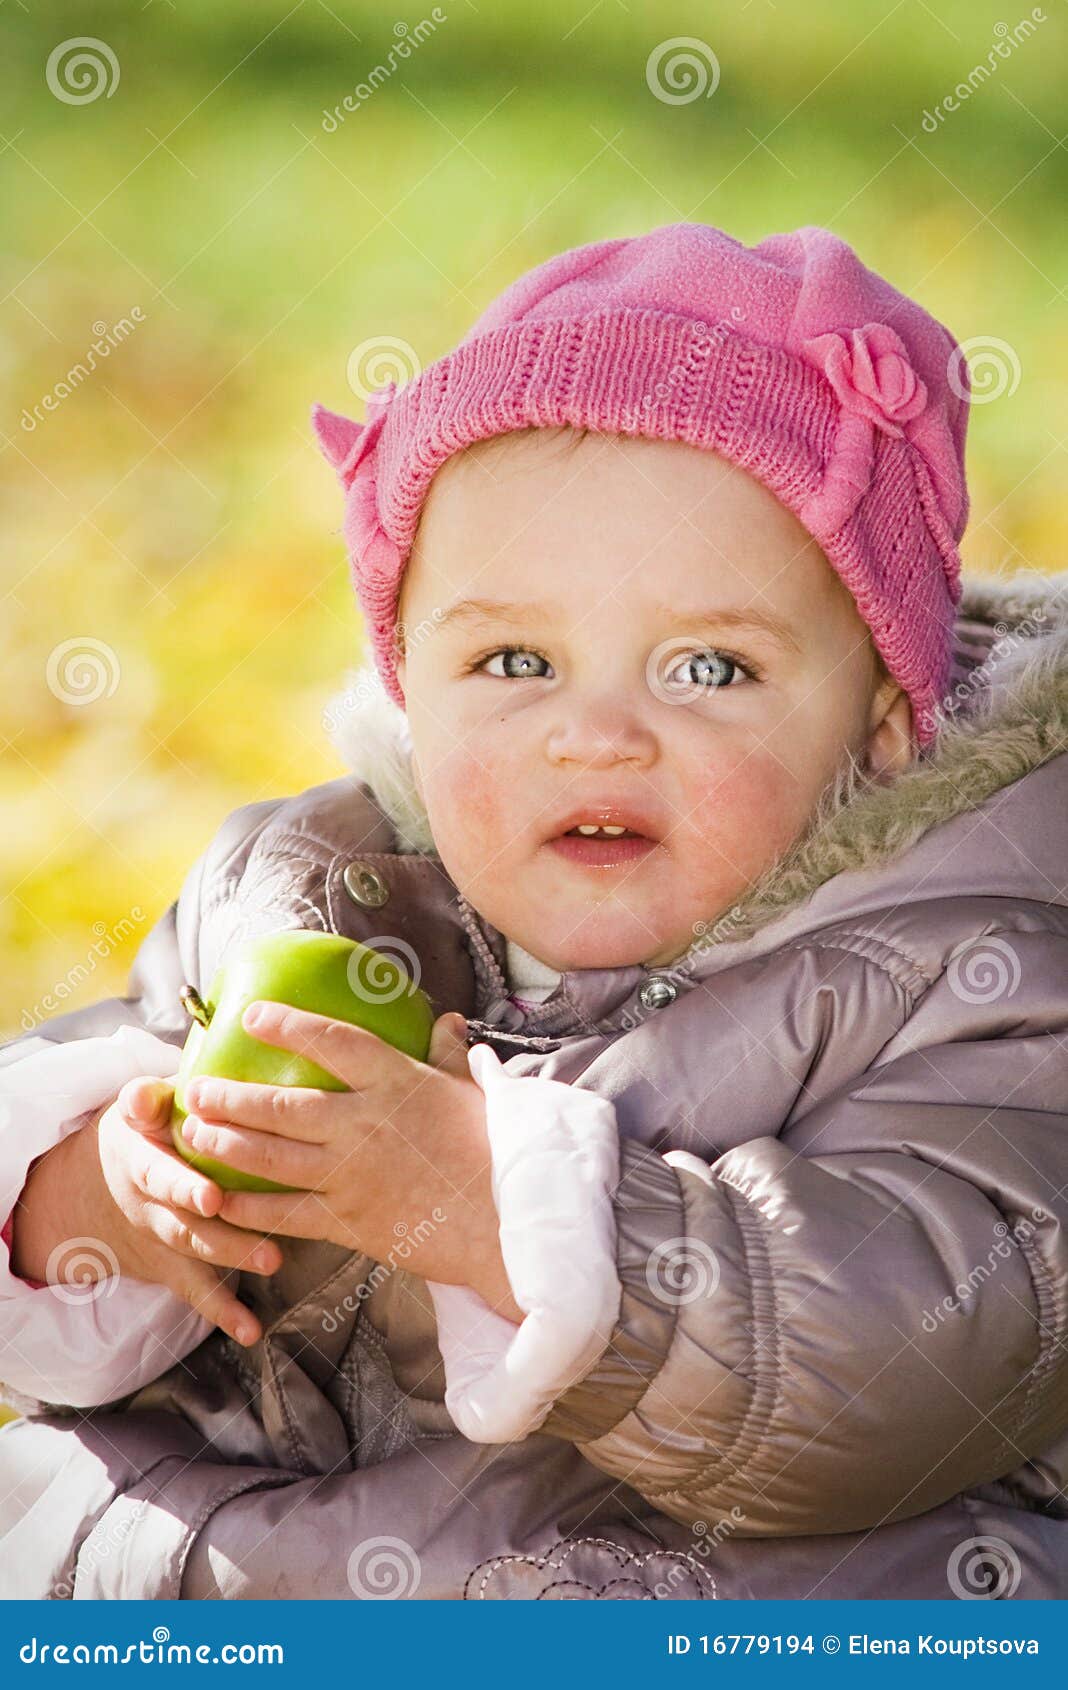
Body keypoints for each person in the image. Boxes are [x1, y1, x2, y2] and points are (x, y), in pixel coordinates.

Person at [2, 222, 1067, 1601]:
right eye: (515, 659)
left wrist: (488, 1202)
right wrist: (120, 1192)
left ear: (880, 723)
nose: (597, 736)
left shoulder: (981, 968)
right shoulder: (301, 890)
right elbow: (71, 1139)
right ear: (411, 682)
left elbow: (927, 1352)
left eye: (709, 666)